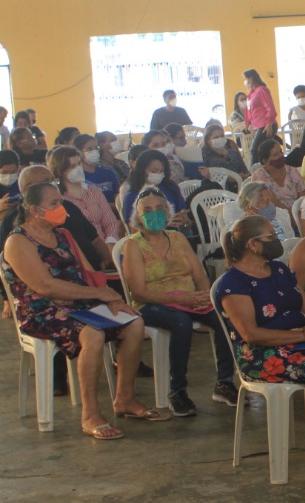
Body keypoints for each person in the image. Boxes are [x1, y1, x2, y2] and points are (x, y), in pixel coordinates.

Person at [3, 182, 164, 439]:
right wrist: (98, 295)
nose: (61, 208)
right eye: (53, 204)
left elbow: (89, 273)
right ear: (34, 210)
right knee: (93, 333)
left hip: (81, 303)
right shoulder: (18, 241)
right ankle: (90, 414)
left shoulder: (63, 234)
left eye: (61, 202)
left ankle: (125, 398)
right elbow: (44, 286)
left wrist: (110, 297)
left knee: (134, 322)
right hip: (43, 311)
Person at [121, 187, 237, 415]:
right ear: (138, 216)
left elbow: (199, 275)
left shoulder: (178, 238)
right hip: (152, 303)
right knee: (181, 323)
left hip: (189, 299)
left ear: (168, 212)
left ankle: (224, 381)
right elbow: (139, 292)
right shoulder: (133, 245)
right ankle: (178, 391)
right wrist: (184, 298)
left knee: (224, 316)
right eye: (148, 210)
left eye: (160, 208)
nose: (155, 214)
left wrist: (205, 297)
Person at [213, 215, 305, 385]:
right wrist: (302, 336)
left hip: (304, 342)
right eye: (271, 236)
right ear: (253, 244)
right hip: (262, 355)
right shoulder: (234, 284)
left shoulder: (279, 270)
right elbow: (251, 334)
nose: (276, 240)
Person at [47, 145, 123, 244]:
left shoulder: (93, 191)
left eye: (79, 164)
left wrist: (110, 241)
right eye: (72, 166)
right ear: (60, 171)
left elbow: (110, 222)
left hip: (107, 244)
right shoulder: (59, 199)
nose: (78, 169)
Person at [121, 150, 192, 233]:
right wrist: (162, 224)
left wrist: (184, 221)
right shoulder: (132, 196)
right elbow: (133, 232)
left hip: (177, 235)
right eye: (154, 171)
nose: (158, 174)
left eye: (162, 171)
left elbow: (187, 222)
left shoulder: (171, 188)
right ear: (142, 170)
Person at [249, 140, 305, 213]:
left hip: (297, 212)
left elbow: (303, 196)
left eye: (281, 152)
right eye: (276, 155)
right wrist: (291, 216)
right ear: (266, 161)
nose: (281, 156)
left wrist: (299, 214)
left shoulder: (292, 171)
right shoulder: (259, 177)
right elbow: (273, 202)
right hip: (274, 214)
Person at [222, 181, 290, 240]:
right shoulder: (240, 230)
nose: (271, 205)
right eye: (266, 202)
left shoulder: (277, 221)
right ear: (249, 207)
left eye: (271, 200)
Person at [241, 69, 278, 167]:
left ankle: (255, 172)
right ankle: (262, 170)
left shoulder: (262, 90)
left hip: (266, 125)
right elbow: (250, 111)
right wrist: (247, 124)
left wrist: (269, 123)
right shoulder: (252, 93)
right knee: (263, 152)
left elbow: (270, 107)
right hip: (259, 126)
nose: (245, 81)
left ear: (251, 78)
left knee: (255, 149)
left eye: (246, 78)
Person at [72, 134, 121, 203]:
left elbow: (118, 198)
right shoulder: (77, 177)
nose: (94, 151)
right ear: (78, 152)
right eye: (89, 149)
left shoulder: (108, 173)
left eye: (96, 148)